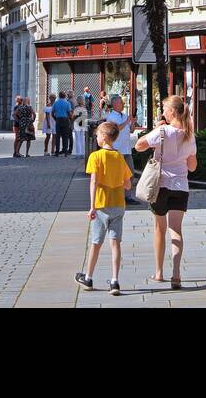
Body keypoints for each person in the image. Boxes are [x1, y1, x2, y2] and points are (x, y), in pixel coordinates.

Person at [134, 95, 198, 289]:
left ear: (172, 112)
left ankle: (159, 272)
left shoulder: (162, 131)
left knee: (159, 229)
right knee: (176, 231)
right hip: (181, 187)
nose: (163, 113)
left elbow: (138, 146)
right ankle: (176, 273)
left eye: (164, 109)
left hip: (160, 186)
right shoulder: (189, 135)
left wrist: (156, 129)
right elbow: (193, 166)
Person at [75, 120, 133, 296]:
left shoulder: (95, 157)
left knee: (96, 243)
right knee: (115, 244)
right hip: (118, 205)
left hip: (101, 205)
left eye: (98, 134)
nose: (96, 137)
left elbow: (93, 181)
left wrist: (92, 206)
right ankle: (115, 281)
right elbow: (128, 185)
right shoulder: (119, 157)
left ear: (104, 137)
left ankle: (89, 277)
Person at [104, 95, 137, 204]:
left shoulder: (125, 115)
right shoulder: (111, 116)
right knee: (118, 174)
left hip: (127, 149)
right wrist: (127, 121)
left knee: (130, 173)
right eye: (120, 102)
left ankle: (128, 196)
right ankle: (117, 196)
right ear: (114, 104)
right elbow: (116, 129)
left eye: (122, 102)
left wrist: (133, 122)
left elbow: (131, 130)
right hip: (117, 150)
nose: (122, 104)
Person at [51, 91, 73, 156]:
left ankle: (57, 151)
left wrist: (55, 119)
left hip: (58, 120)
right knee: (65, 136)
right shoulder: (67, 103)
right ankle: (65, 152)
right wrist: (70, 119)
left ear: (59, 96)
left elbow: (52, 113)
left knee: (57, 136)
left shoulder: (56, 103)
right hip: (65, 120)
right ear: (64, 96)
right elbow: (69, 113)